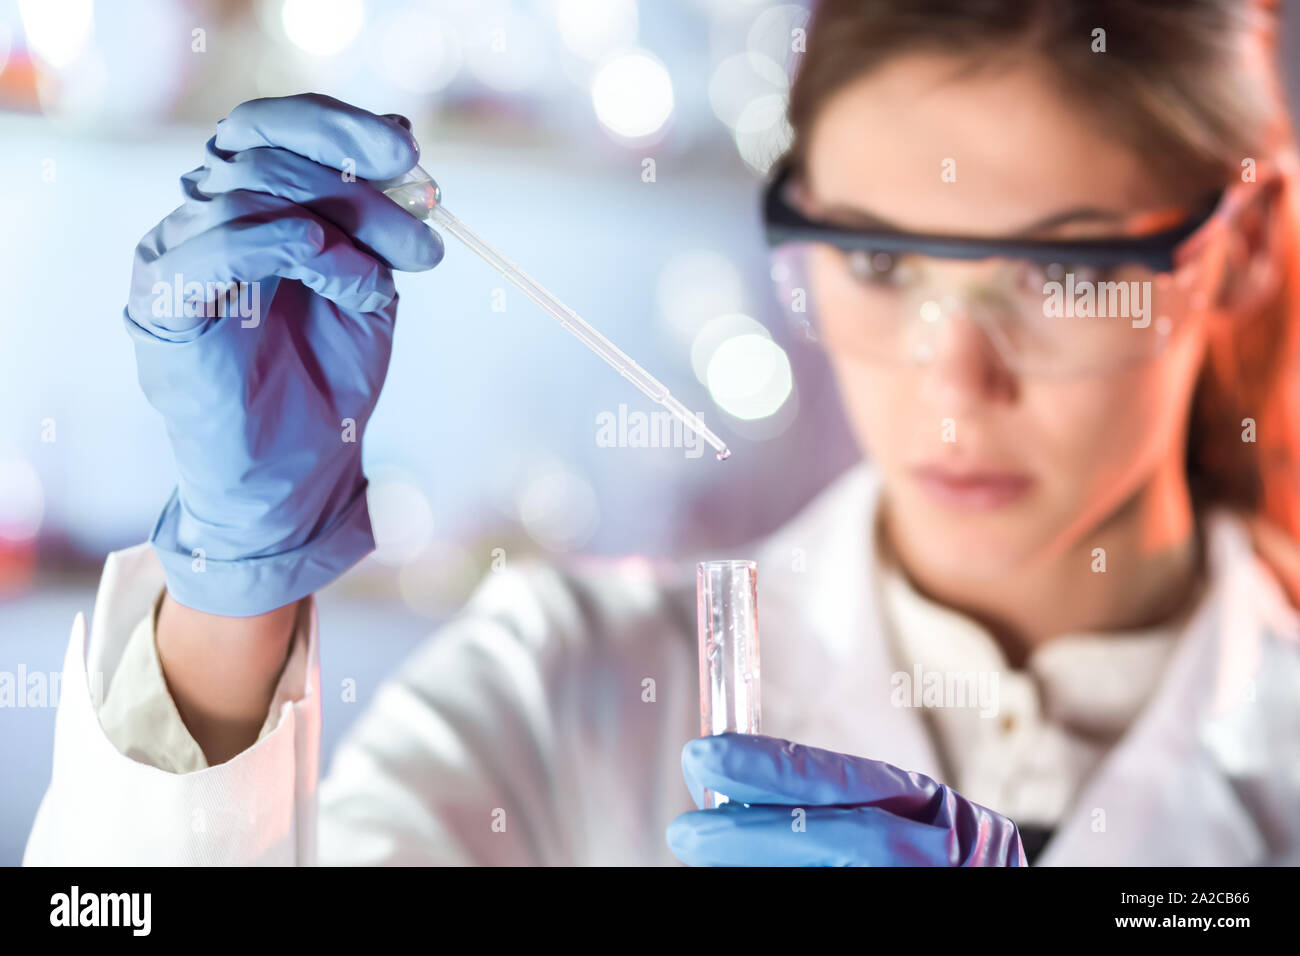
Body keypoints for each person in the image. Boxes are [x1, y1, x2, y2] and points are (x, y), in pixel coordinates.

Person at [25, 0, 1300, 866]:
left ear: (1240, 244)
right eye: (871, 257)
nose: (952, 378)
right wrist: (226, 599)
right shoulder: (561, 683)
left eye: (1061, 272)